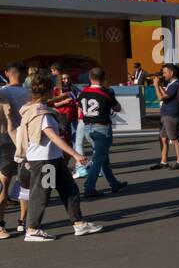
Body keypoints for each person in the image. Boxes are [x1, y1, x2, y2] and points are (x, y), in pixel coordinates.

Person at [13, 74, 101, 241]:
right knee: (41, 194)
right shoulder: (42, 114)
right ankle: (32, 229)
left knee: (70, 190)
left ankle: (79, 224)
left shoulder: (34, 108)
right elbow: (53, 137)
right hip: (45, 160)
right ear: (47, 91)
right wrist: (75, 154)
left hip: (52, 159)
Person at [78, 67, 127, 199]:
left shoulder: (83, 93)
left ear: (90, 77)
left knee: (103, 157)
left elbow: (80, 109)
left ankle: (113, 183)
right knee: (98, 159)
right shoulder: (106, 92)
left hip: (87, 127)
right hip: (102, 128)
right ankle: (89, 187)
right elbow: (117, 108)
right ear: (104, 78)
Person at [0, 63, 31, 238]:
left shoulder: (3, 93)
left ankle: (1, 224)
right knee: (25, 183)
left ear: (6, 73)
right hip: (24, 142)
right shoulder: (29, 93)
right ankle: (23, 221)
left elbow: (9, 122)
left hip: (6, 142)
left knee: (3, 183)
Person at [151, 64, 179, 169]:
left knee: (174, 139)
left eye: (165, 72)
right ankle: (164, 162)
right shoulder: (171, 84)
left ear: (172, 73)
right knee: (163, 138)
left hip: (171, 115)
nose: (163, 74)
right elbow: (166, 93)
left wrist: (156, 86)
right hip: (166, 114)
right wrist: (160, 86)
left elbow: (162, 97)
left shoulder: (176, 85)